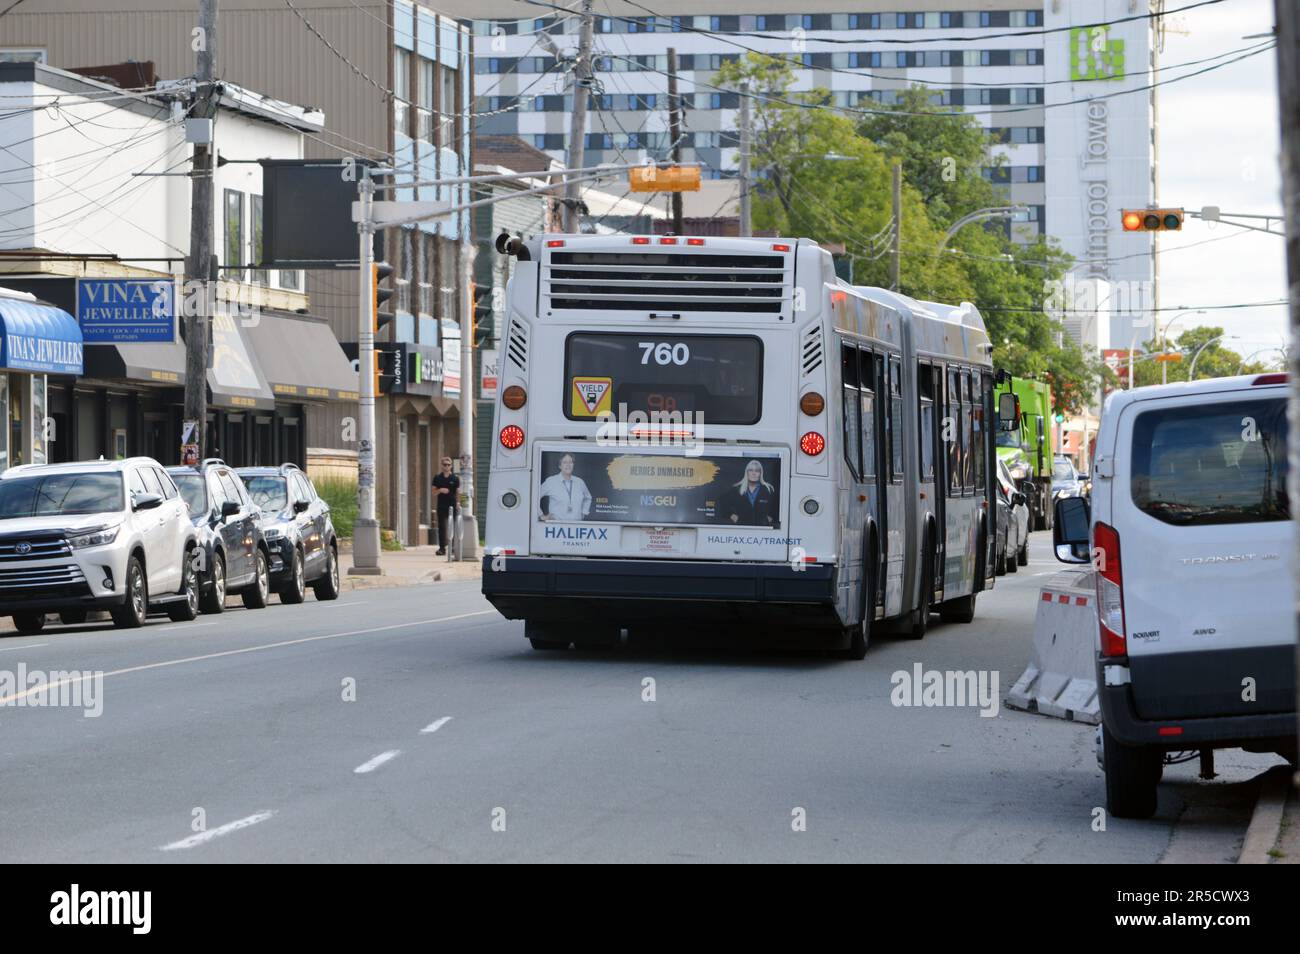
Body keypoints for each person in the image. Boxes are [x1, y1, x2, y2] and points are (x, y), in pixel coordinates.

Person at [722, 459, 777, 527]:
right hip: (742, 529)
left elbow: (777, 507)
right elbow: (722, 503)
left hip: (763, 530)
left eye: (757, 471)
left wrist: (770, 519)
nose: (754, 473)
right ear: (747, 472)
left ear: (760, 473)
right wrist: (732, 516)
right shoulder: (737, 489)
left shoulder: (768, 489)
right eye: (751, 470)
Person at [537, 453, 591, 521]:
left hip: (577, 526)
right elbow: (534, 497)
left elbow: (588, 498)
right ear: (560, 466)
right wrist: (541, 516)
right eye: (564, 462)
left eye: (570, 462)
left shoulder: (580, 482)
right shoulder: (551, 481)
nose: (568, 465)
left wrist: (584, 512)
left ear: (573, 465)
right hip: (556, 526)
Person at [432, 456, 460, 555]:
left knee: (452, 526)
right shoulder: (437, 478)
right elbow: (433, 492)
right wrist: (440, 490)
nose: (446, 466)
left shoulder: (455, 478)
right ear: (441, 465)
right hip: (441, 505)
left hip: (452, 505)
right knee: (442, 527)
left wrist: (458, 502)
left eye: (448, 465)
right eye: (445, 465)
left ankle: (452, 547)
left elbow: (457, 492)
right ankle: (442, 548)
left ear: (451, 466)